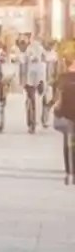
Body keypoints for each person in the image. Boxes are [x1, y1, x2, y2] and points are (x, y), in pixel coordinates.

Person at [53, 54, 75, 185]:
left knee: (67, 143)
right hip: (69, 114)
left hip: (66, 114)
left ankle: (69, 171)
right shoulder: (63, 78)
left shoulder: (62, 78)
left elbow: (58, 97)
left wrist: (56, 109)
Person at [22, 35, 47, 133]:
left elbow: (23, 64)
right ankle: (35, 122)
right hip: (38, 79)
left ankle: (32, 123)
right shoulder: (41, 51)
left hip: (31, 80)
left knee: (31, 101)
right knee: (36, 102)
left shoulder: (29, 50)